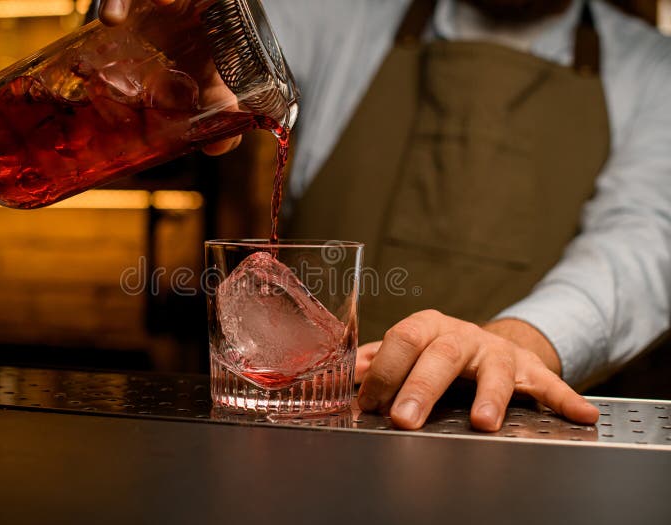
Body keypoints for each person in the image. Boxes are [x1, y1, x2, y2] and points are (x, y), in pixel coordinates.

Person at [99, 0, 671, 431]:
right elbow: (220, 30)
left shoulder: (652, 69)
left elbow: (647, 239)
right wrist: (166, 34)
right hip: (309, 425)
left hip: (513, 438)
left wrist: (517, 342)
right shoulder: (338, 13)